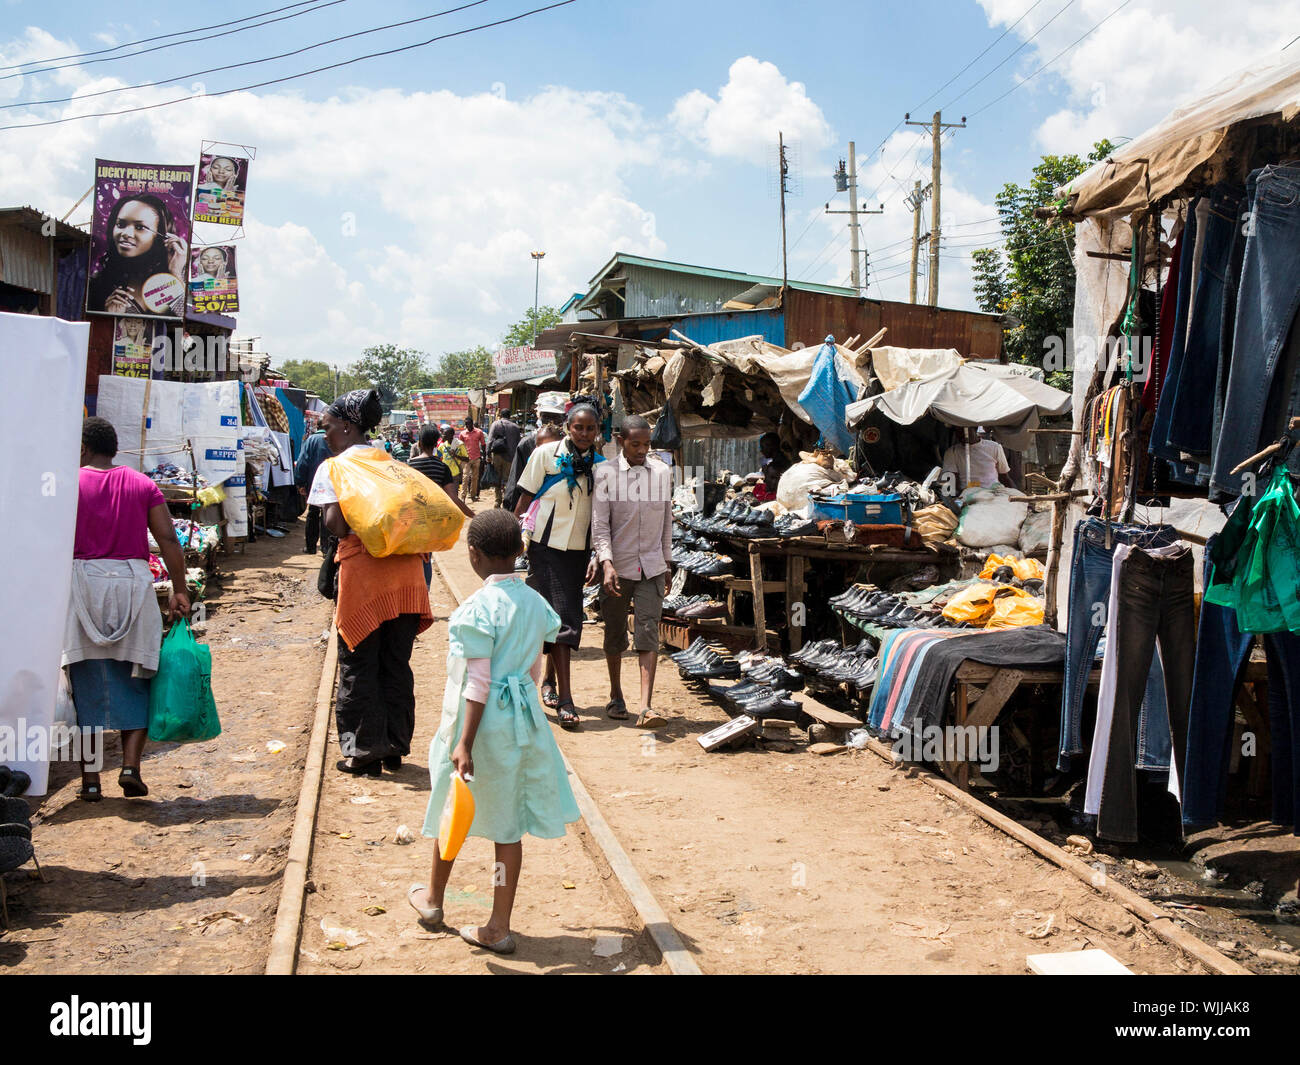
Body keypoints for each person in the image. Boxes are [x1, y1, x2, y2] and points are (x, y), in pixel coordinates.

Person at [407, 510, 581, 954]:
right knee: (507, 826)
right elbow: (533, 662)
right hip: (519, 723)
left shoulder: (475, 611)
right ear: (522, 551)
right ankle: (498, 924)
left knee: (454, 810)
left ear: (473, 554)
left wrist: (463, 742)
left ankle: (433, 899)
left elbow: (479, 683)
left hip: (477, 725)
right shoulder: (535, 602)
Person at [65, 417, 191, 802]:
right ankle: (130, 767)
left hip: (82, 582)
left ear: (83, 447)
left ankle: (90, 781)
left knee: (84, 682)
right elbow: (167, 537)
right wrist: (180, 590)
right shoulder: (142, 484)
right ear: (115, 448)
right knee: (138, 673)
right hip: (133, 582)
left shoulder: (69, 483)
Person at [308, 390, 433, 775]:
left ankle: (364, 750)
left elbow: (337, 526)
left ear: (347, 427)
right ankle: (394, 745)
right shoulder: (394, 464)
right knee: (396, 662)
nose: (325, 435)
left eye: (328, 427)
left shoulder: (336, 468)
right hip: (407, 579)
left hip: (366, 580)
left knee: (359, 664)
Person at [513, 402, 603, 730]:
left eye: (590, 428)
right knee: (565, 618)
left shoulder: (603, 466)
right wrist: (511, 542)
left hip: (578, 551)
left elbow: (602, 517)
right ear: (568, 426)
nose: (583, 433)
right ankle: (566, 698)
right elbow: (524, 499)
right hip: (544, 547)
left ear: (597, 431)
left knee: (559, 616)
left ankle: (549, 682)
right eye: (578, 427)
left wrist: (597, 554)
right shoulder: (545, 454)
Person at [591, 415, 673, 729]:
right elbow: (600, 525)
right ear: (621, 441)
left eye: (646, 444)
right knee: (614, 634)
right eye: (635, 443)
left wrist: (667, 563)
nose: (641, 450)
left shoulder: (662, 473)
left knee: (648, 633)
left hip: (652, 566)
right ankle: (616, 694)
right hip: (618, 567)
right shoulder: (605, 474)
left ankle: (646, 707)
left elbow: (666, 521)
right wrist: (606, 563)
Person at [87, 194, 188, 316]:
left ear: (161, 236)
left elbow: (186, 321)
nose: (126, 233)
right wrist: (109, 316)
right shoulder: (96, 285)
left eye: (140, 227)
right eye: (121, 224)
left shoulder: (179, 277)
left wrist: (175, 272)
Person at [408, 424, 473, 585]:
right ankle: (425, 593)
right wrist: (473, 515)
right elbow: (453, 498)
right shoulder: (442, 467)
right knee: (426, 558)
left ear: (419, 444)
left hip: (410, 520)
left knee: (410, 559)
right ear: (437, 444)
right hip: (431, 522)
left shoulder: (409, 466)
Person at [503, 396, 567, 511]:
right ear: (539, 417)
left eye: (556, 418)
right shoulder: (527, 444)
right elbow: (515, 480)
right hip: (530, 509)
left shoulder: (569, 445)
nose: (550, 423)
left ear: (564, 419)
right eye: (546, 417)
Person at [940, 426, 1012, 494]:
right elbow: (953, 482)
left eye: (964, 430)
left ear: (975, 428)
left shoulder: (994, 447)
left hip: (994, 493)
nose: (961, 434)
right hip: (967, 495)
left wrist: (1017, 494)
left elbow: (1004, 477)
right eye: (957, 431)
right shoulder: (952, 452)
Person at [296, 425, 330, 555]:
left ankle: (310, 547)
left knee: (313, 512)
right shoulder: (336, 438)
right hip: (332, 482)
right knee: (328, 512)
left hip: (314, 482)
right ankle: (326, 547)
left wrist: (300, 482)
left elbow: (302, 461)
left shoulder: (311, 439)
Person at [486, 409, 521, 508]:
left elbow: (489, 440)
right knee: (508, 480)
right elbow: (519, 444)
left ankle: (497, 501)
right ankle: (507, 500)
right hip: (511, 457)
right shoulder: (515, 427)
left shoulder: (496, 424)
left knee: (497, 478)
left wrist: (488, 454)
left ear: (500, 415)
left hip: (497, 455)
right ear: (510, 416)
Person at [458, 417, 487, 503]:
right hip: (466, 459)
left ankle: (473, 495)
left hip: (476, 457)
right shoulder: (462, 434)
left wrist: (484, 456)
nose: (468, 426)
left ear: (472, 424)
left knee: (475, 478)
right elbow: (460, 446)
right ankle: (463, 496)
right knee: (465, 477)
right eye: (466, 424)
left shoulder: (479, 432)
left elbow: (483, 444)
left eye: (469, 424)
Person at [438, 424, 469, 497]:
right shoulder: (442, 446)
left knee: (454, 494)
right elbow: (438, 457)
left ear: (451, 435)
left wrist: (455, 455)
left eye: (445, 435)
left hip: (455, 473)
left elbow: (467, 459)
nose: (443, 436)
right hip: (445, 473)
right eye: (443, 435)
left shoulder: (459, 444)